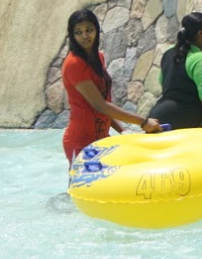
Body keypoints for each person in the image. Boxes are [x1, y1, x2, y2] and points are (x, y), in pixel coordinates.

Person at [61, 9, 162, 162]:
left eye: (89, 30)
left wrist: (122, 130)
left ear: (96, 30)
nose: (85, 36)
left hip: (102, 139)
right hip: (80, 143)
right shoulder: (74, 64)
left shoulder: (98, 58)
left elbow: (104, 103)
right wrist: (143, 122)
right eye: (78, 32)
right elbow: (100, 105)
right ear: (72, 35)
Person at [147, 12, 202, 130]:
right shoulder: (200, 59)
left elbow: (162, 81)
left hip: (155, 116)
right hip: (181, 120)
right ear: (201, 33)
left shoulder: (169, 52)